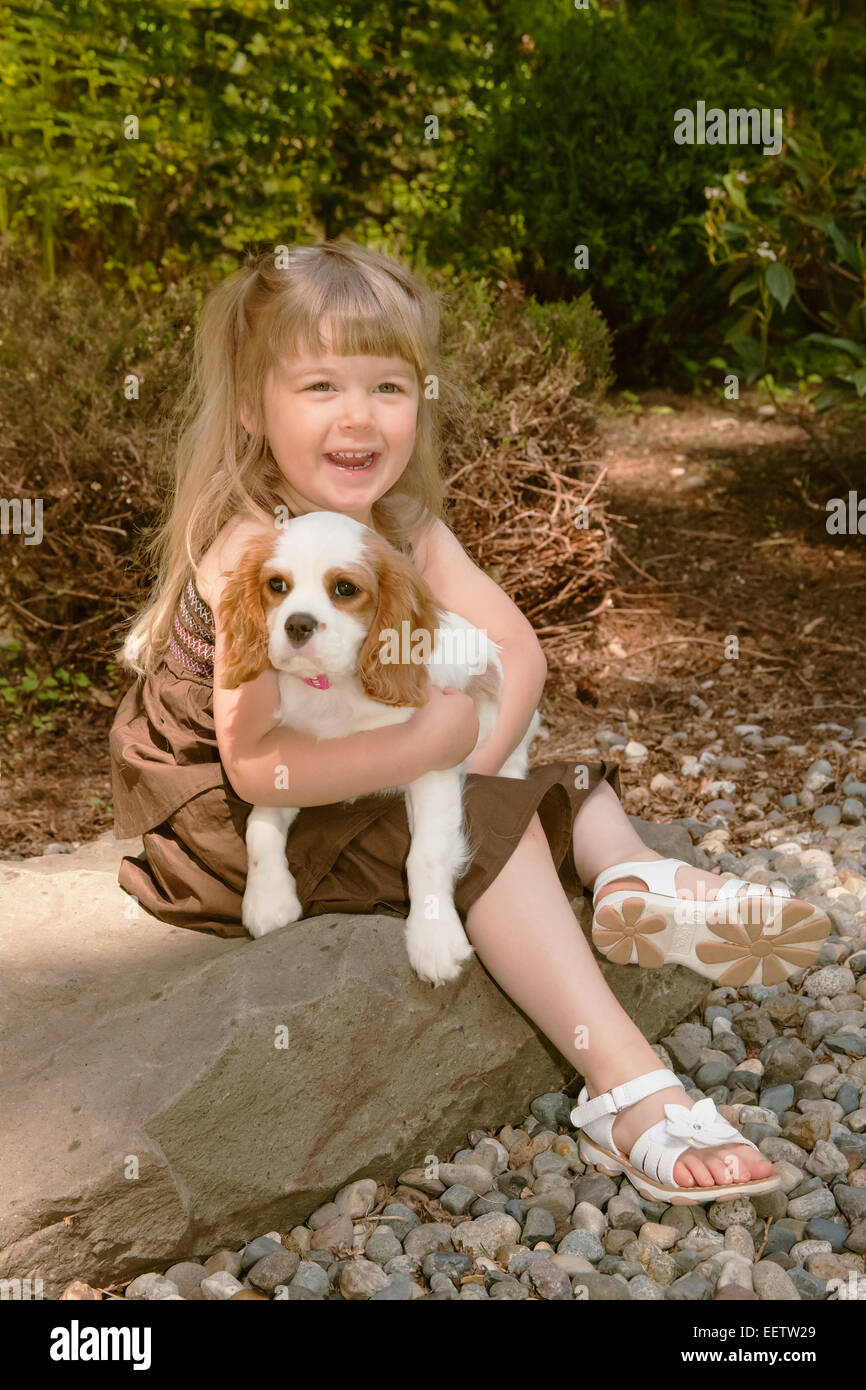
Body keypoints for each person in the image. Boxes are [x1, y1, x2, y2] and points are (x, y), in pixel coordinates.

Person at [109, 239, 829, 1205]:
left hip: (356, 761)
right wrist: (441, 776)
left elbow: (519, 655)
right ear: (252, 407)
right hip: (230, 818)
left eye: (389, 387)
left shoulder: (406, 524)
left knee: (559, 782)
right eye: (320, 385)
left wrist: (465, 776)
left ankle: (634, 880)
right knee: (493, 828)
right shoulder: (253, 545)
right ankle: (624, 1089)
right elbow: (250, 765)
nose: (359, 416)